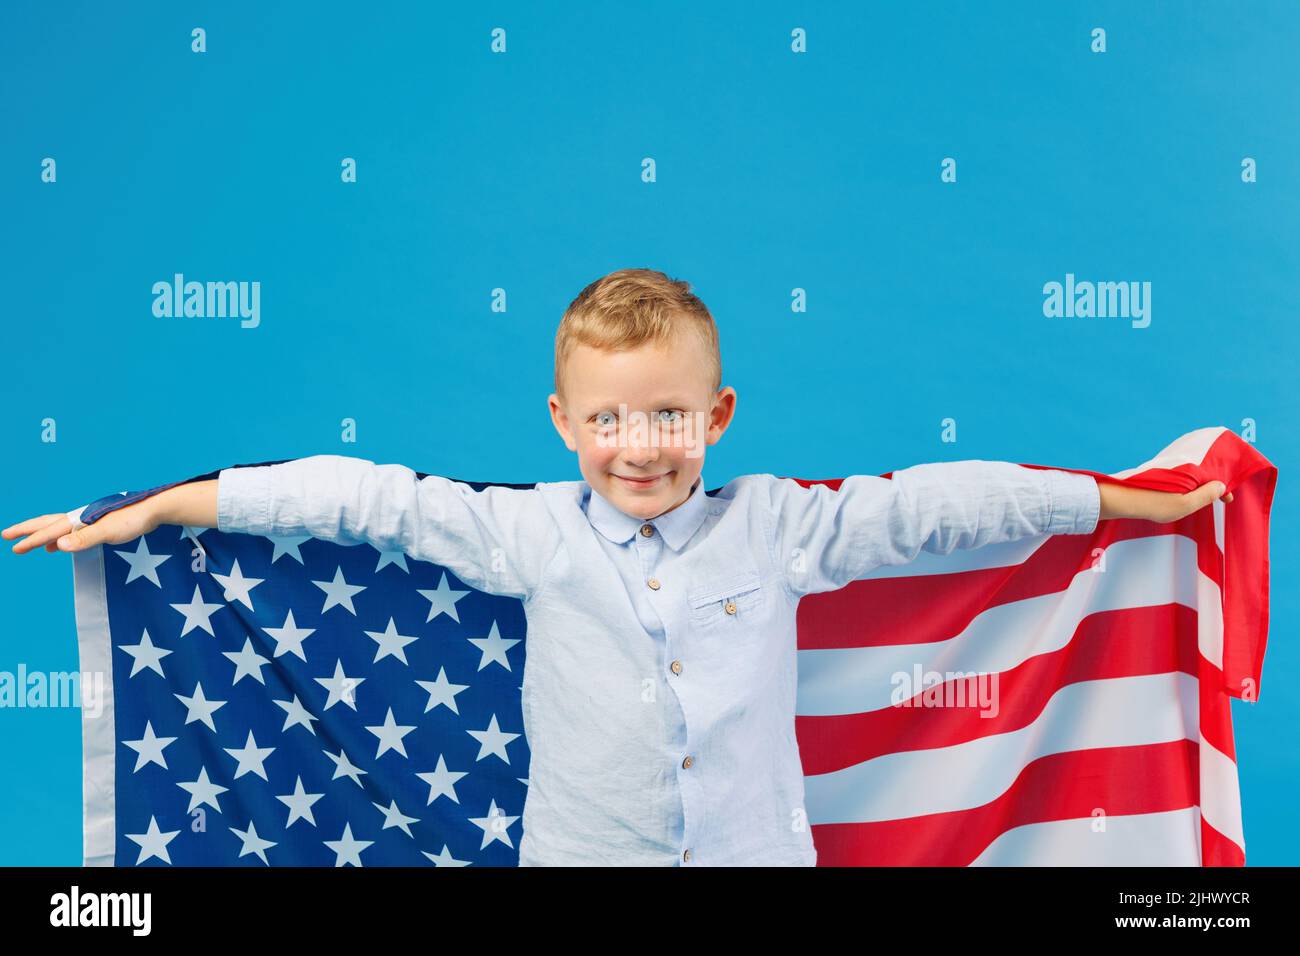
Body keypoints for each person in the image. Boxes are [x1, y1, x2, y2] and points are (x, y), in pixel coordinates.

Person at [3, 267, 1233, 866]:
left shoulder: (777, 528)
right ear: (559, 420)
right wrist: (167, 505)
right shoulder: (527, 532)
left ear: (720, 413)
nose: (636, 446)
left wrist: (1125, 499)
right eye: (606, 419)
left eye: (666, 416)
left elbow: (938, 507)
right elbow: (358, 495)